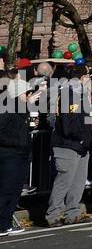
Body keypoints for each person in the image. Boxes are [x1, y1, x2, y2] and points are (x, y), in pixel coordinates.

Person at [45, 69, 92, 226]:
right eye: (87, 76)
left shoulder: (80, 94)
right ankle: (53, 214)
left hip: (80, 146)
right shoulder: (69, 94)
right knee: (64, 181)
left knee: (78, 182)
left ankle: (72, 212)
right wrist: (80, 138)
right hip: (68, 144)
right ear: (82, 77)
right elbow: (68, 124)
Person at [0, 74, 39, 235]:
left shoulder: (21, 109)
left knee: (15, 190)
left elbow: (20, 130)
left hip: (21, 153)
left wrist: (30, 127)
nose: (29, 96)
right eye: (26, 93)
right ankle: (1, 223)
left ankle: (6, 222)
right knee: (6, 190)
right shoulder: (7, 109)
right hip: (9, 154)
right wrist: (15, 141)